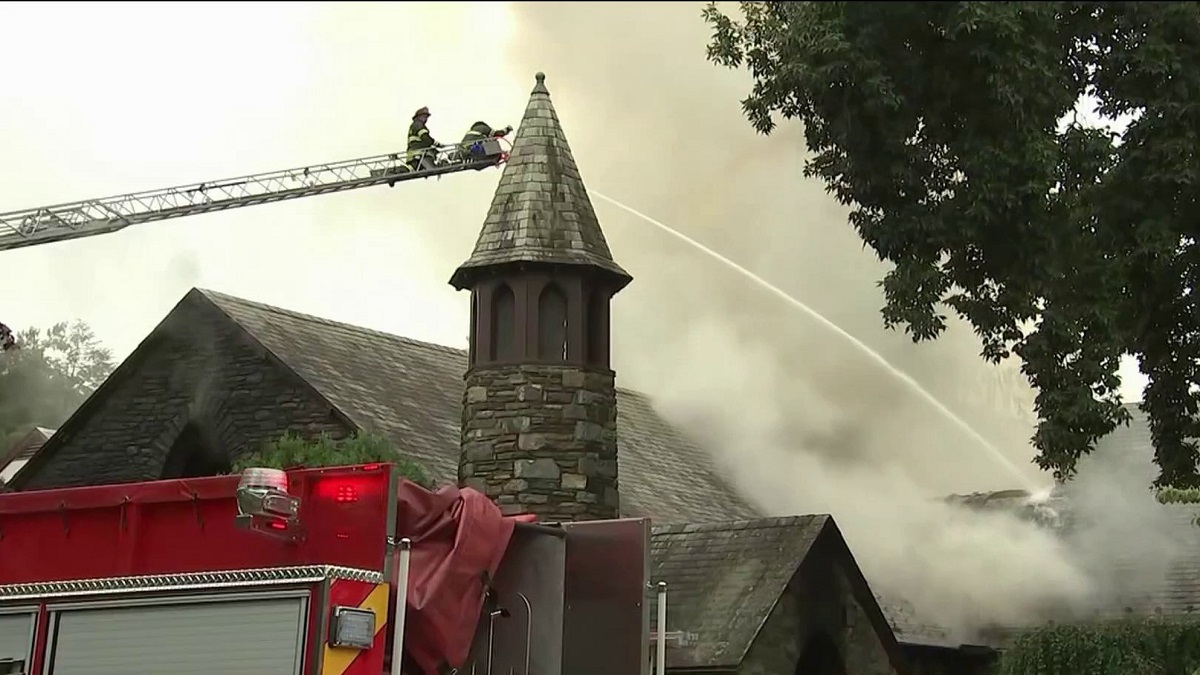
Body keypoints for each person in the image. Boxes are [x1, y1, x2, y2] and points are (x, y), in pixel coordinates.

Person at [406, 106, 439, 172]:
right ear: (418, 116)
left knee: (413, 168)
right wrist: (436, 143)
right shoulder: (418, 125)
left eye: (426, 117)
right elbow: (425, 138)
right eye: (424, 116)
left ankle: (404, 170)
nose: (426, 119)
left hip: (414, 154)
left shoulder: (414, 125)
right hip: (419, 153)